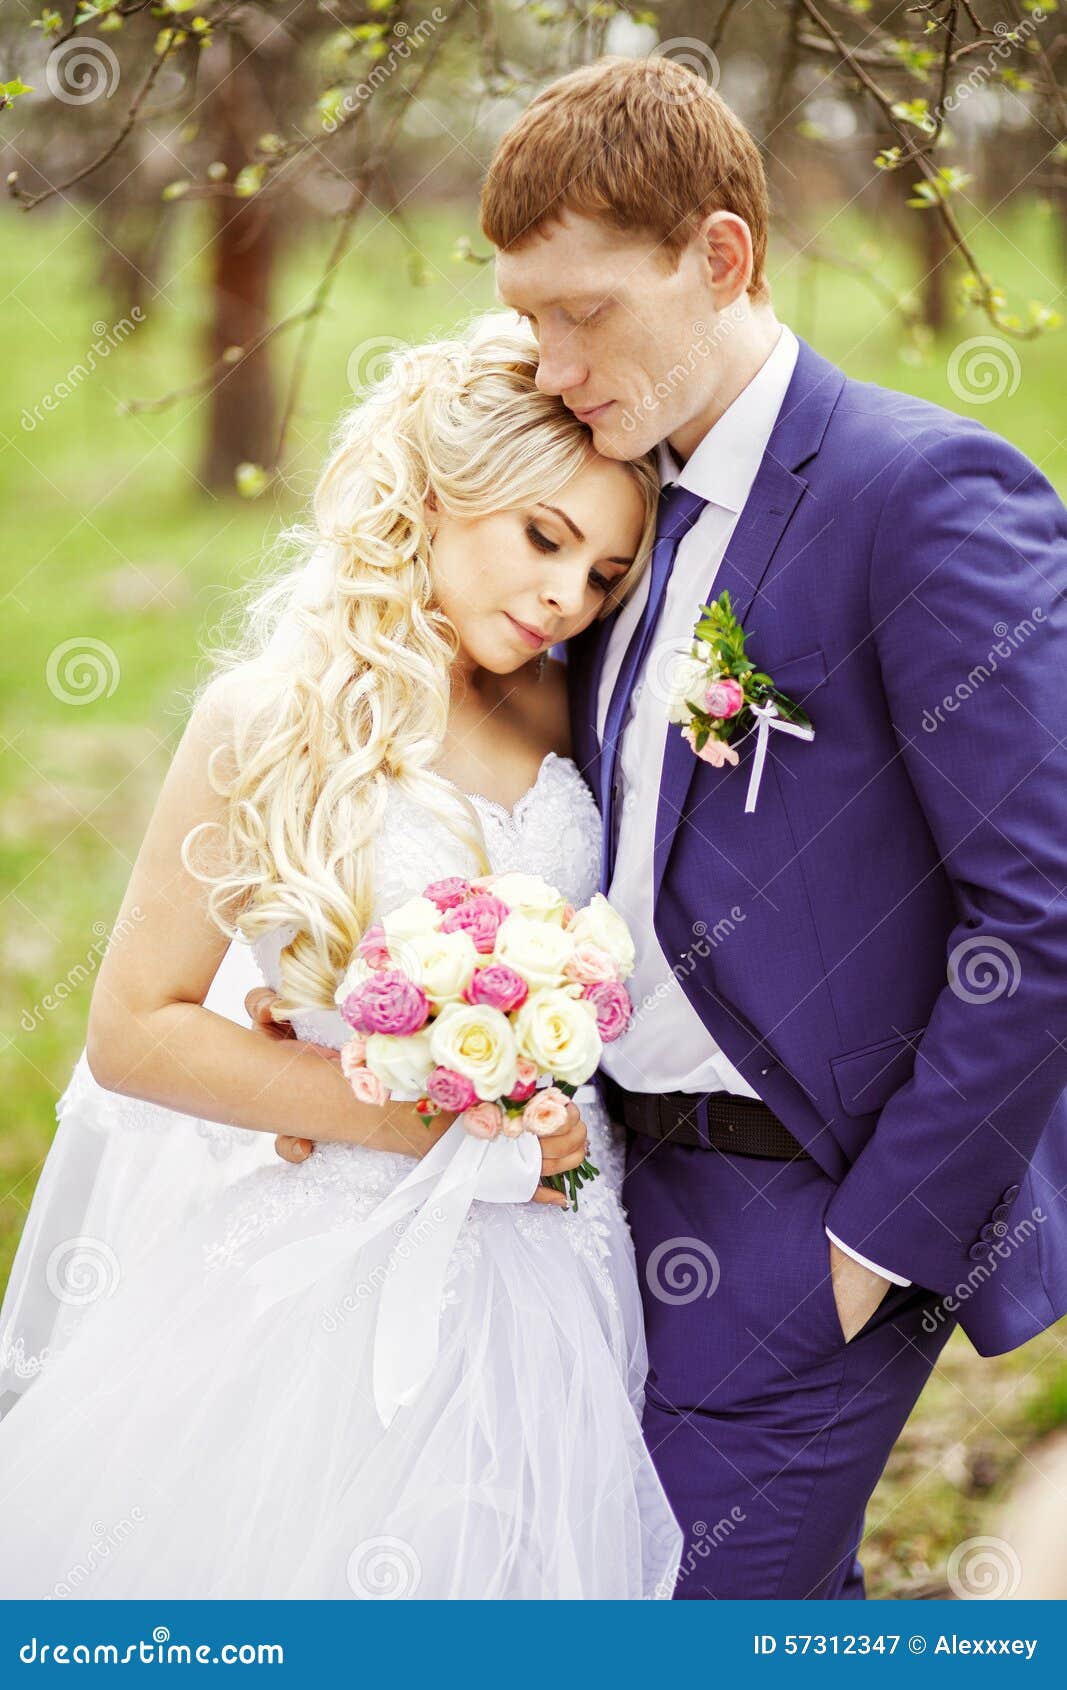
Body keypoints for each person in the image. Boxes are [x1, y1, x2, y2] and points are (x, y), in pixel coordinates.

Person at [477, 53, 1067, 1599]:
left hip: (805, 1208)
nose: (547, 361)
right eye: (523, 316)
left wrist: (878, 1245)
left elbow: (1044, 911)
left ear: (718, 255)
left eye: (581, 309)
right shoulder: (616, 512)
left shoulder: (918, 492)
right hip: (604, 1195)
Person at [0, 312, 683, 1599]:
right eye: (543, 538)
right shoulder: (267, 719)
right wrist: (430, 1125)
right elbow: (135, 1027)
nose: (563, 596)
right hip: (329, 1254)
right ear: (436, 489)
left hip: (554, 1257)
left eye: (601, 575)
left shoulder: (570, 703)